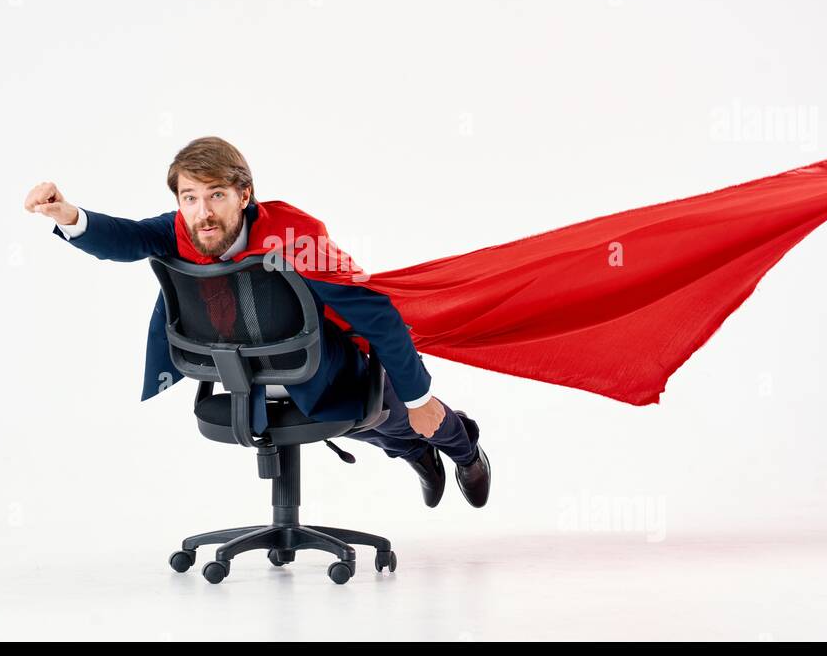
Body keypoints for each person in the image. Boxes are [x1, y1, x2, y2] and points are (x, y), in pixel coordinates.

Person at [24, 136, 490, 508]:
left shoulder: (293, 235)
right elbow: (123, 239)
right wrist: (69, 215)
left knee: (396, 415)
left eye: (216, 196)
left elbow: (373, 312)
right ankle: (414, 454)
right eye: (190, 197)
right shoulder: (180, 228)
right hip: (246, 374)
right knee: (366, 427)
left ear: (244, 195)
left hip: (325, 365)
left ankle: (464, 448)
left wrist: (420, 397)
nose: (202, 212)